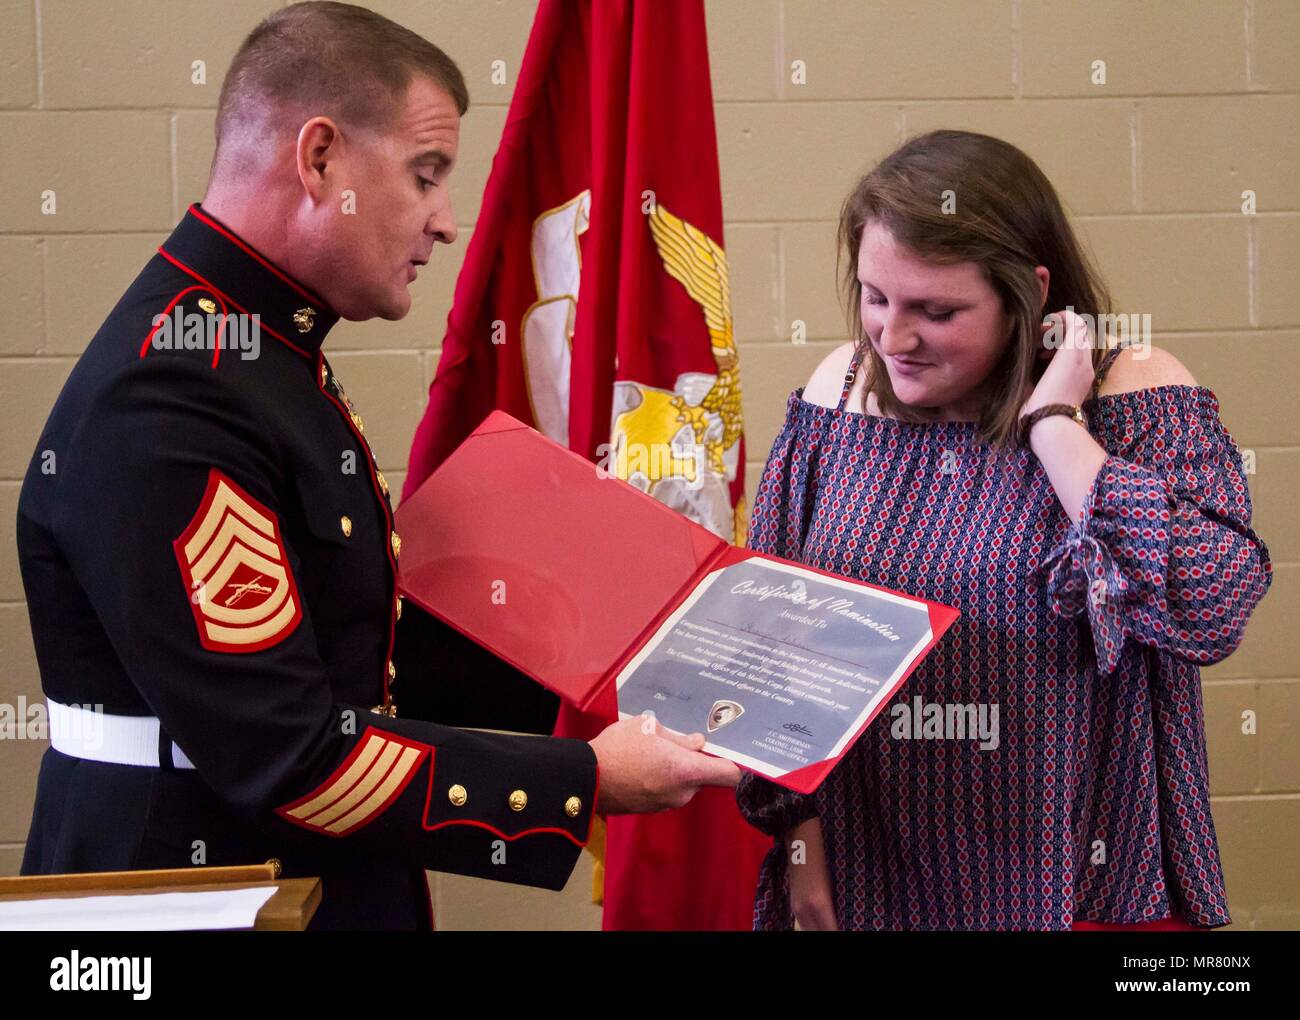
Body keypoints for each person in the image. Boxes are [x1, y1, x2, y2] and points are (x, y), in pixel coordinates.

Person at [16, 1, 736, 931]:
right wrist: (588, 779)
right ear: (320, 160)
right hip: (196, 895)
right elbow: (292, 757)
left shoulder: (255, 351)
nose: (444, 221)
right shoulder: (173, 396)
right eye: (426, 174)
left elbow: (357, 654)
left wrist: (638, 669)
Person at [735, 129, 1273, 931]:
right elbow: (765, 643)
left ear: (1029, 291)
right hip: (863, 879)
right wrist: (801, 848)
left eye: (937, 310)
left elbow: (1211, 606)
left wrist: (1056, 427)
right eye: (876, 297)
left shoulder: (1136, 389)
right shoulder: (839, 391)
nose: (895, 337)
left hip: (1073, 879)